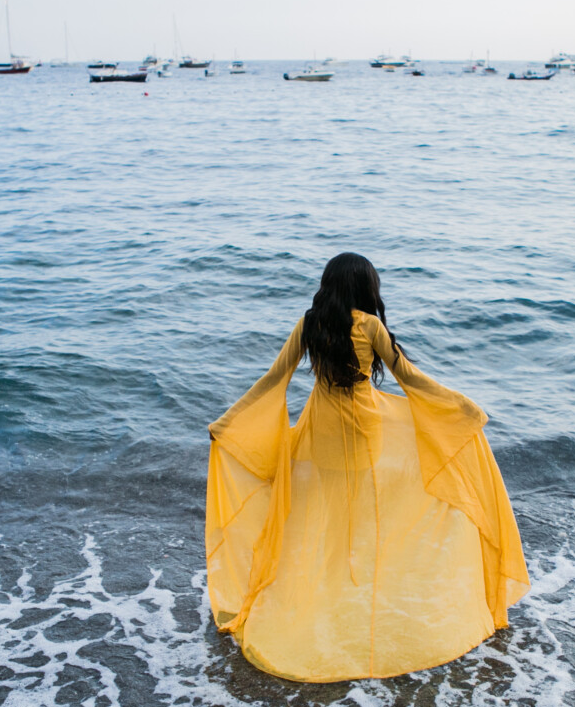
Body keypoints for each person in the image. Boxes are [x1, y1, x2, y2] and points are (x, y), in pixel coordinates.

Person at [205, 253, 529, 681]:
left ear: (328, 284)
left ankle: (325, 596)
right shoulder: (369, 326)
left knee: (325, 515)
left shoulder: (309, 324)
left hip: (322, 432)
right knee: (365, 515)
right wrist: (459, 405)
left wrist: (229, 421)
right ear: (364, 287)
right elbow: (408, 378)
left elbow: (273, 379)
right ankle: (360, 597)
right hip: (364, 432)